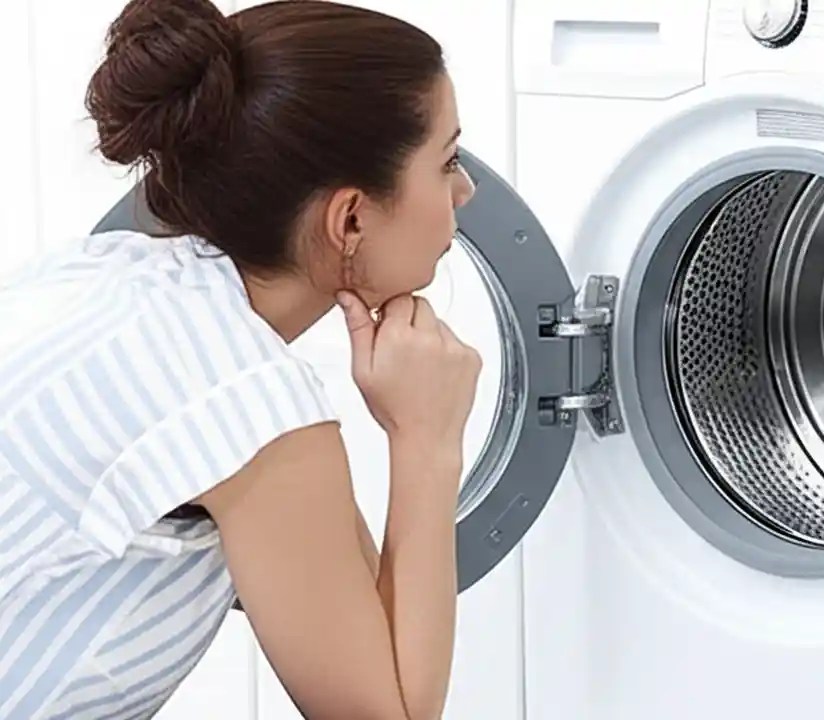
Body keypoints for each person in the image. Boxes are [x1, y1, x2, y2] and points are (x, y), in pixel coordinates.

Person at [0, 0, 481, 717]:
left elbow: (361, 630)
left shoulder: (110, 272)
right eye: (446, 163)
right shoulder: (248, 408)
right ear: (349, 217)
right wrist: (428, 442)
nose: (465, 192)